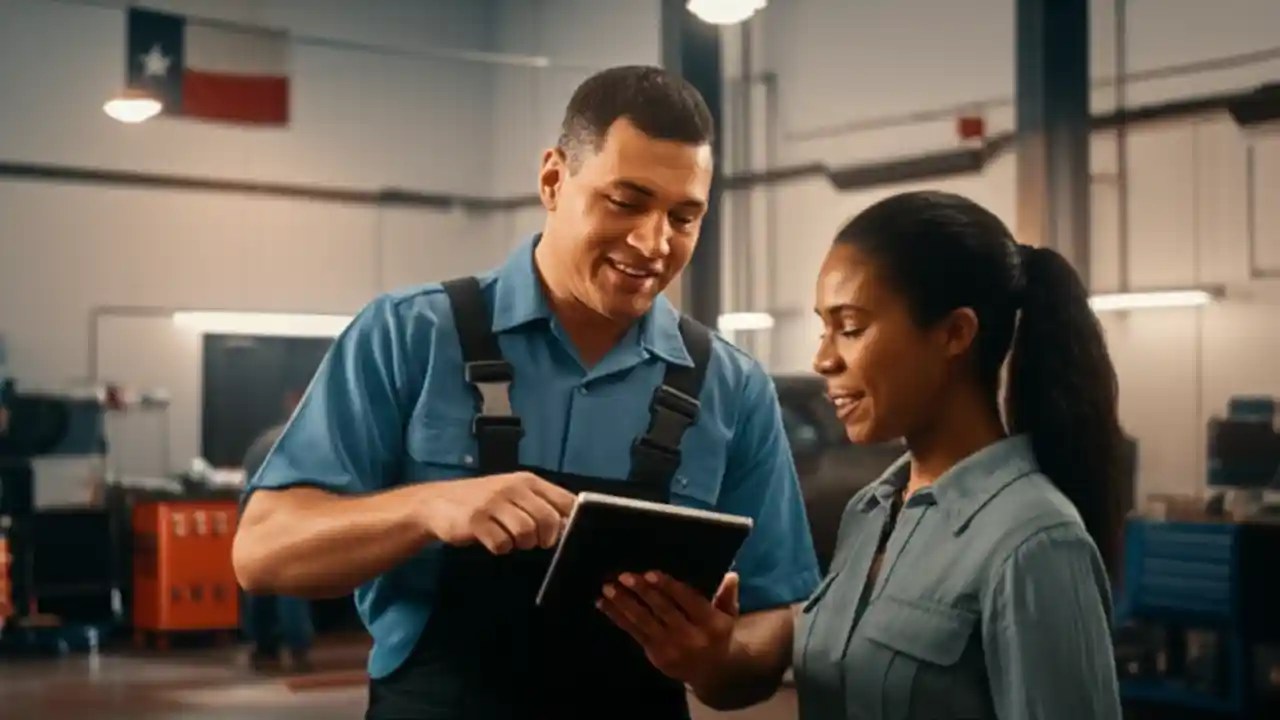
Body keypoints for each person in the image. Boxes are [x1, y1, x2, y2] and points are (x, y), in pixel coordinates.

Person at [232, 65, 819, 719]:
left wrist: (716, 663)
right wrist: (429, 507)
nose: (654, 243)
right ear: (552, 180)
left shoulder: (731, 388)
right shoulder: (410, 336)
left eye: (684, 217)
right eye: (626, 202)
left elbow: (770, 622)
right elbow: (263, 553)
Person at [790, 190, 1124, 719]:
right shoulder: (869, 513)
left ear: (954, 333)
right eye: (825, 327)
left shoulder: (1034, 543)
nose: (823, 358)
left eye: (850, 328)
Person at [240, 390, 314, 673]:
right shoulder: (302, 443)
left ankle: (263, 646)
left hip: (254, 520)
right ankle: (298, 647)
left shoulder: (263, 441)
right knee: (291, 585)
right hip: (287, 520)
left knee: (260, 585)